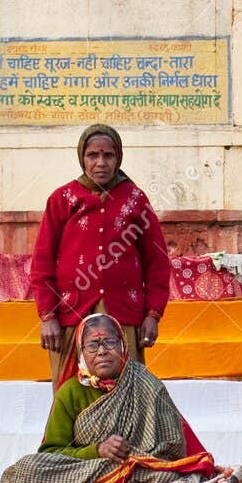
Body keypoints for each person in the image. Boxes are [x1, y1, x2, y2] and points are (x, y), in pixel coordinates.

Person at [0, 314, 212, 483]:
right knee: (30, 469)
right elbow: (51, 452)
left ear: (123, 347)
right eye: (92, 346)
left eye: (110, 342)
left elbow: (173, 446)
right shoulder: (70, 391)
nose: (103, 351)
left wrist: (135, 457)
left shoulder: (146, 383)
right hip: (82, 475)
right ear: (81, 353)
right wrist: (98, 451)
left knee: (169, 479)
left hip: (136, 474)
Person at [30, 124, 172, 388]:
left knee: (126, 392)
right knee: (70, 392)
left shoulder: (135, 200)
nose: (101, 162)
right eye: (92, 155)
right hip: (70, 314)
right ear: (81, 158)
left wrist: (153, 314)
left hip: (125, 314)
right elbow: (41, 264)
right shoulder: (62, 199)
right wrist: (47, 317)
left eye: (108, 155)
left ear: (118, 158)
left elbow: (158, 262)